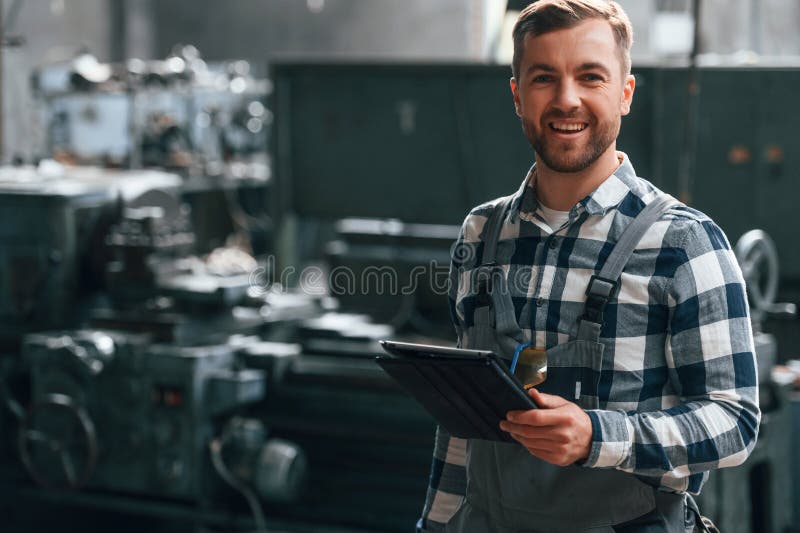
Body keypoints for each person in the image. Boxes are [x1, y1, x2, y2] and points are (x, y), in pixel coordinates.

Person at [418, 1, 760, 532]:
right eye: (543, 78)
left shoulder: (686, 243)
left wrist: (599, 438)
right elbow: (463, 427)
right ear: (517, 95)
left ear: (625, 93)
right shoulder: (481, 234)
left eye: (590, 76)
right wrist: (436, 525)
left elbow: (734, 423)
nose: (566, 99)